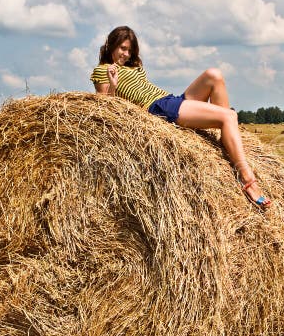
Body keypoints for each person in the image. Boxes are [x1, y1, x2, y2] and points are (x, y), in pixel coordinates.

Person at [90, 26, 271, 208]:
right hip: (158, 109)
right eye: (122, 48)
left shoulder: (134, 67)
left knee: (214, 75)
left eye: (130, 50)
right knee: (229, 116)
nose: (126, 54)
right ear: (111, 45)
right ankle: (247, 179)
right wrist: (113, 84)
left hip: (170, 100)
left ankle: (227, 139)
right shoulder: (103, 70)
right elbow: (105, 107)